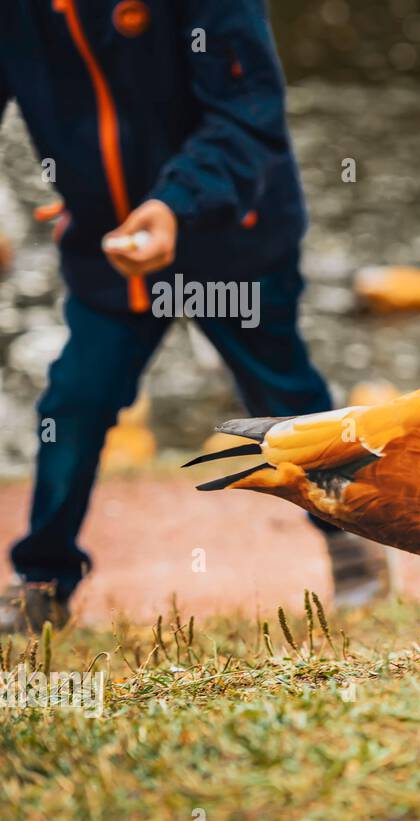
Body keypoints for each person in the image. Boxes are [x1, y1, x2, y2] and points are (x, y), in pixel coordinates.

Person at [0, 0, 387, 631]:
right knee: (74, 400)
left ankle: (352, 537)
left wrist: (175, 205)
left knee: (282, 400)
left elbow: (248, 111)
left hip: (233, 234)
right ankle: (41, 580)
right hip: (111, 251)